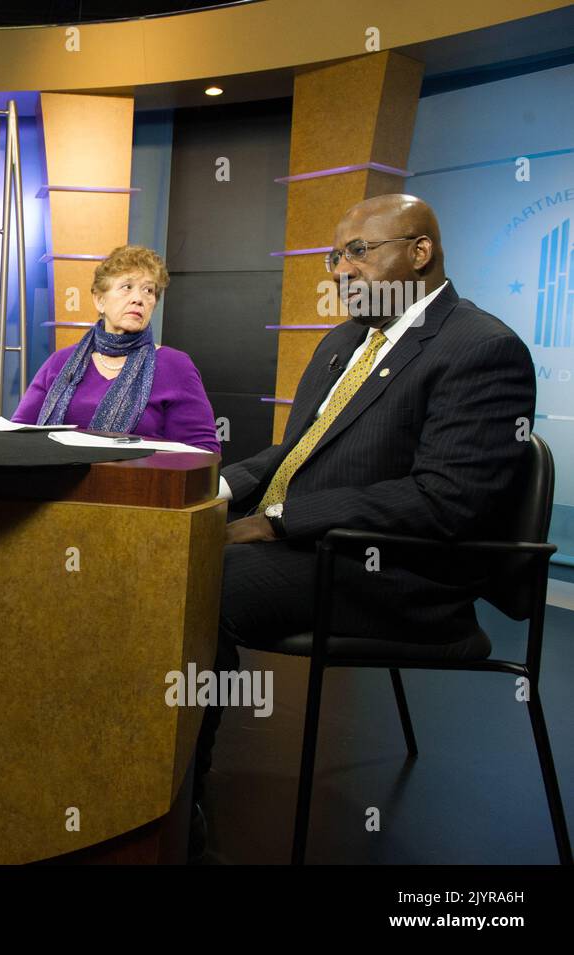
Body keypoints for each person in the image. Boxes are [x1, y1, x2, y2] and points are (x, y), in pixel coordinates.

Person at [192, 194, 537, 857]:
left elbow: (446, 502)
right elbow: (295, 452)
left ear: (419, 252)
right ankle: (154, 764)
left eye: (358, 252)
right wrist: (217, 487)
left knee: (207, 583)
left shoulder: (482, 348)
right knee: (177, 554)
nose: (340, 269)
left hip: (399, 573)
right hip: (315, 547)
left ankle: (185, 795)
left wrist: (273, 524)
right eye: (334, 255)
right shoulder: (345, 339)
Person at [10, 245, 220, 452]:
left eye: (149, 291)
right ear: (100, 300)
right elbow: (19, 436)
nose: (138, 299)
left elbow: (202, 451)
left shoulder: (175, 366)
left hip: (142, 483)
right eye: (127, 287)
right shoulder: (60, 362)